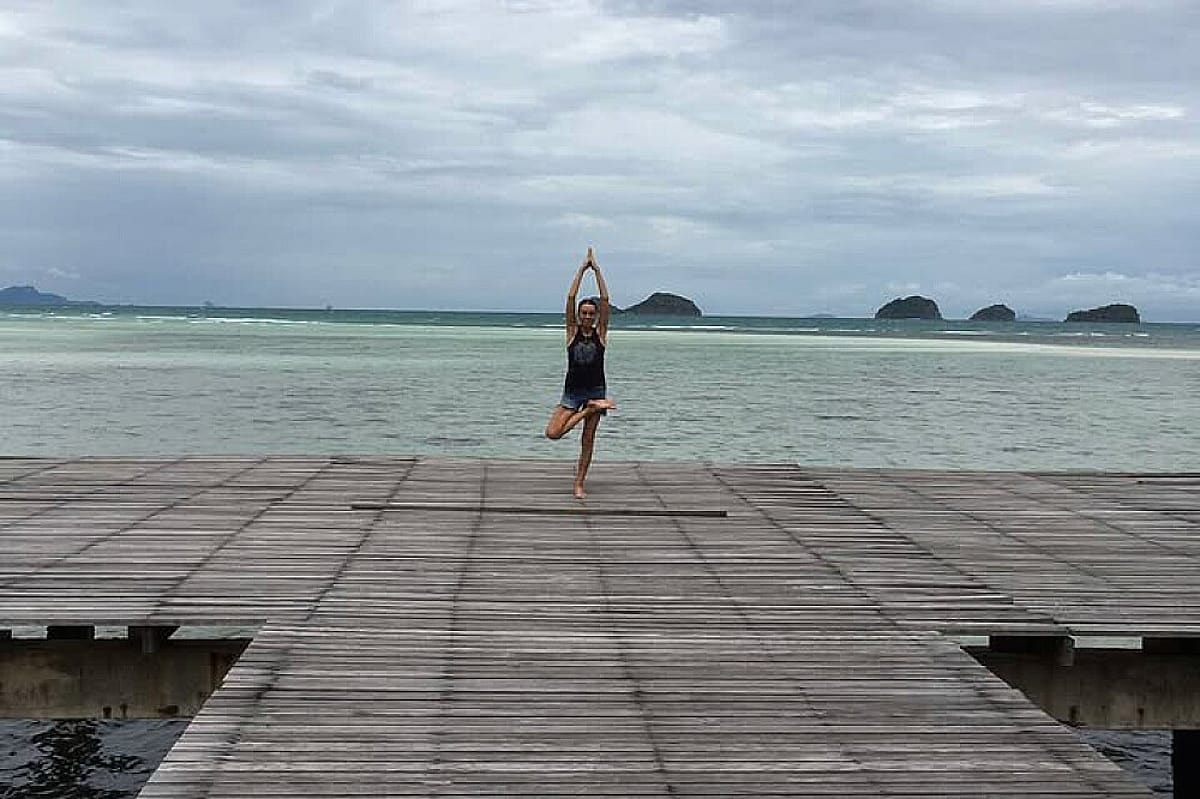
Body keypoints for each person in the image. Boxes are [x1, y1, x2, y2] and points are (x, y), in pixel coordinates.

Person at [544, 248, 616, 498]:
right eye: (583, 313)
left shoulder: (601, 335)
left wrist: (596, 270)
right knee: (553, 433)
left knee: (587, 439)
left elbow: (605, 300)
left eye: (590, 313)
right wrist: (581, 269)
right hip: (573, 393)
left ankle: (579, 484)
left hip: (596, 390)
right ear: (578, 316)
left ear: (596, 317)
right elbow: (570, 297)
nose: (587, 316)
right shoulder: (571, 334)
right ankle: (591, 408)